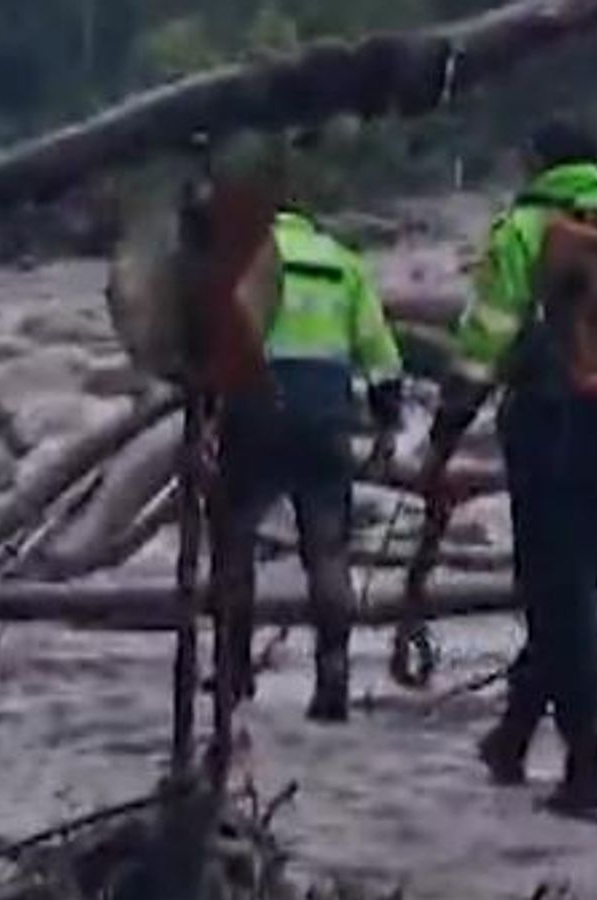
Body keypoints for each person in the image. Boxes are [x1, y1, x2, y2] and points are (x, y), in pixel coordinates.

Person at [417, 120, 597, 818]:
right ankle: (514, 738)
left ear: (535, 162)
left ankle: (590, 772)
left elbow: (483, 340)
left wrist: (444, 435)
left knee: (557, 595)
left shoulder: (519, 230)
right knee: (575, 583)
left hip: (544, 423)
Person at [213, 205, 404, 724]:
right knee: (327, 547)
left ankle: (233, 670)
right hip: (324, 411)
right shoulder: (342, 262)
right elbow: (382, 357)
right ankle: (333, 673)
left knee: (235, 539)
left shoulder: (243, 259)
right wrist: (387, 426)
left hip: (254, 404)